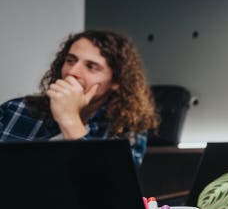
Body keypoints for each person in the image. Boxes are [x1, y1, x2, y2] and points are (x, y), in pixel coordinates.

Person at [0, 30, 158, 168]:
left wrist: (69, 119)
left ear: (116, 81)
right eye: (70, 61)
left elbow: (113, 190)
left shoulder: (127, 128)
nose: (72, 72)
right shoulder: (15, 110)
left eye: (91, 67)